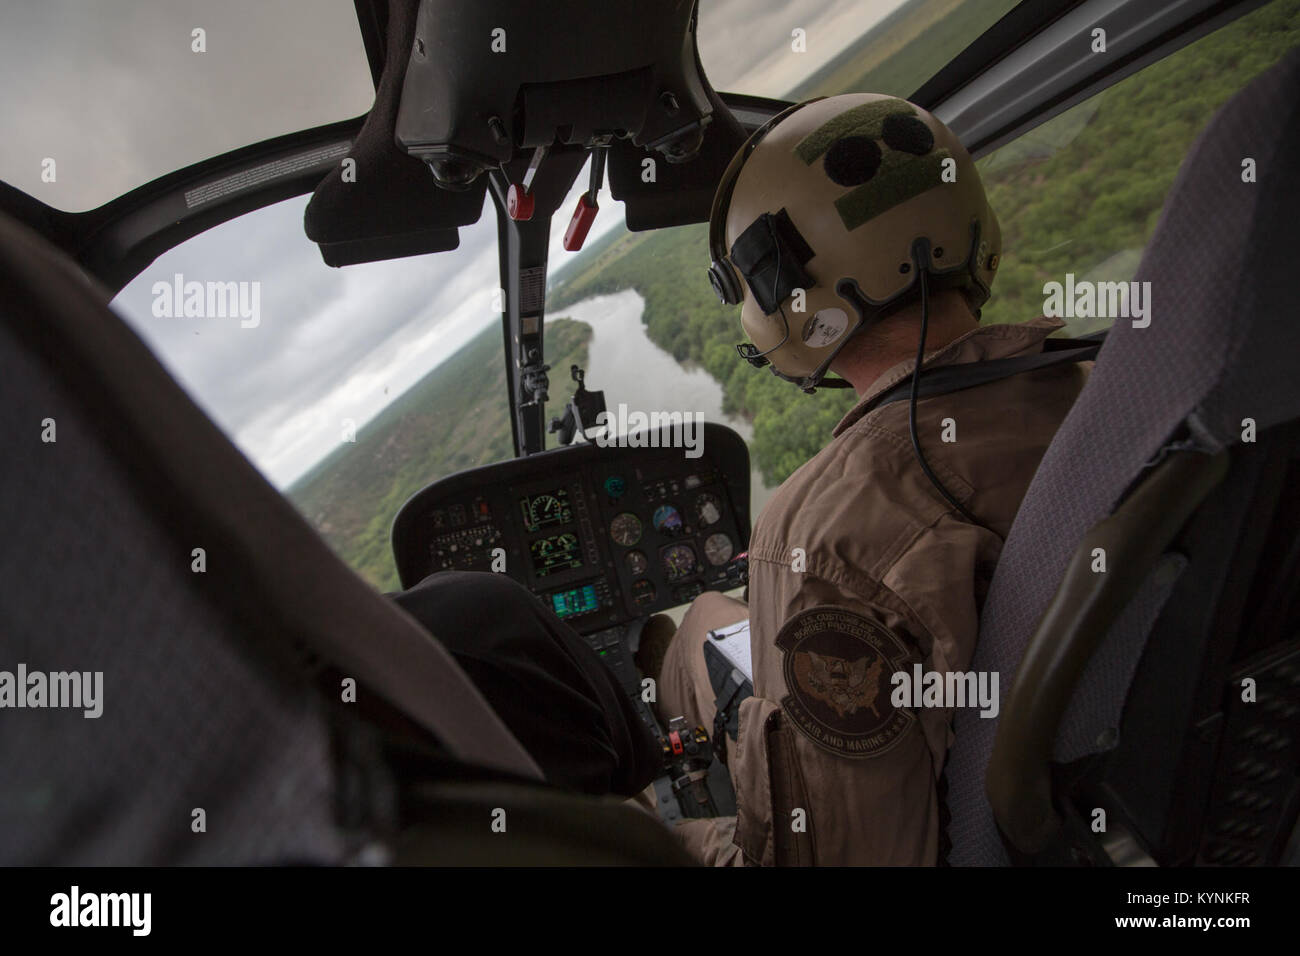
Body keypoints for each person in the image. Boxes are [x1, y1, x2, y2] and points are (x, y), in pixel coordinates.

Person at [656, 93, 1091, 865]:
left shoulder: (819, 535)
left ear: (777, 290)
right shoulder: (1110, 392)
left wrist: (659, 838)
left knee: (692, 638)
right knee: (706, 617)